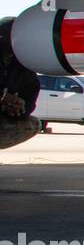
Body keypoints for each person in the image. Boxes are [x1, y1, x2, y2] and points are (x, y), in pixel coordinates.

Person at [0, 17, 41, 150]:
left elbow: (31, 93)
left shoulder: (23, 63)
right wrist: (2, 98)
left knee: (33, 124)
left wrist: (20, 108)